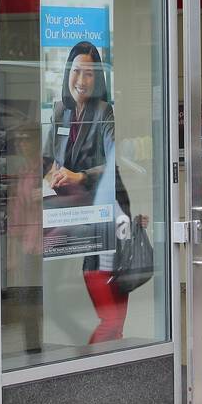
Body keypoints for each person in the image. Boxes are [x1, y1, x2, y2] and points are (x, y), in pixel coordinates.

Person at [42, 41, 134, 344]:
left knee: (107, 300)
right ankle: (98, 358)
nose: (81, 80)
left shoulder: (105, 113)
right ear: (68, 72)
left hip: (104, 211)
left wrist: (79, 176)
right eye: (77, 71)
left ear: (98, 80)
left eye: (90, 74)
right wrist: (52, 175)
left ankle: (98, 361)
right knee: (59, 296)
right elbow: (45, 160)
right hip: (69, 213)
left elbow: (112, 161)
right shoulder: (59, 111)